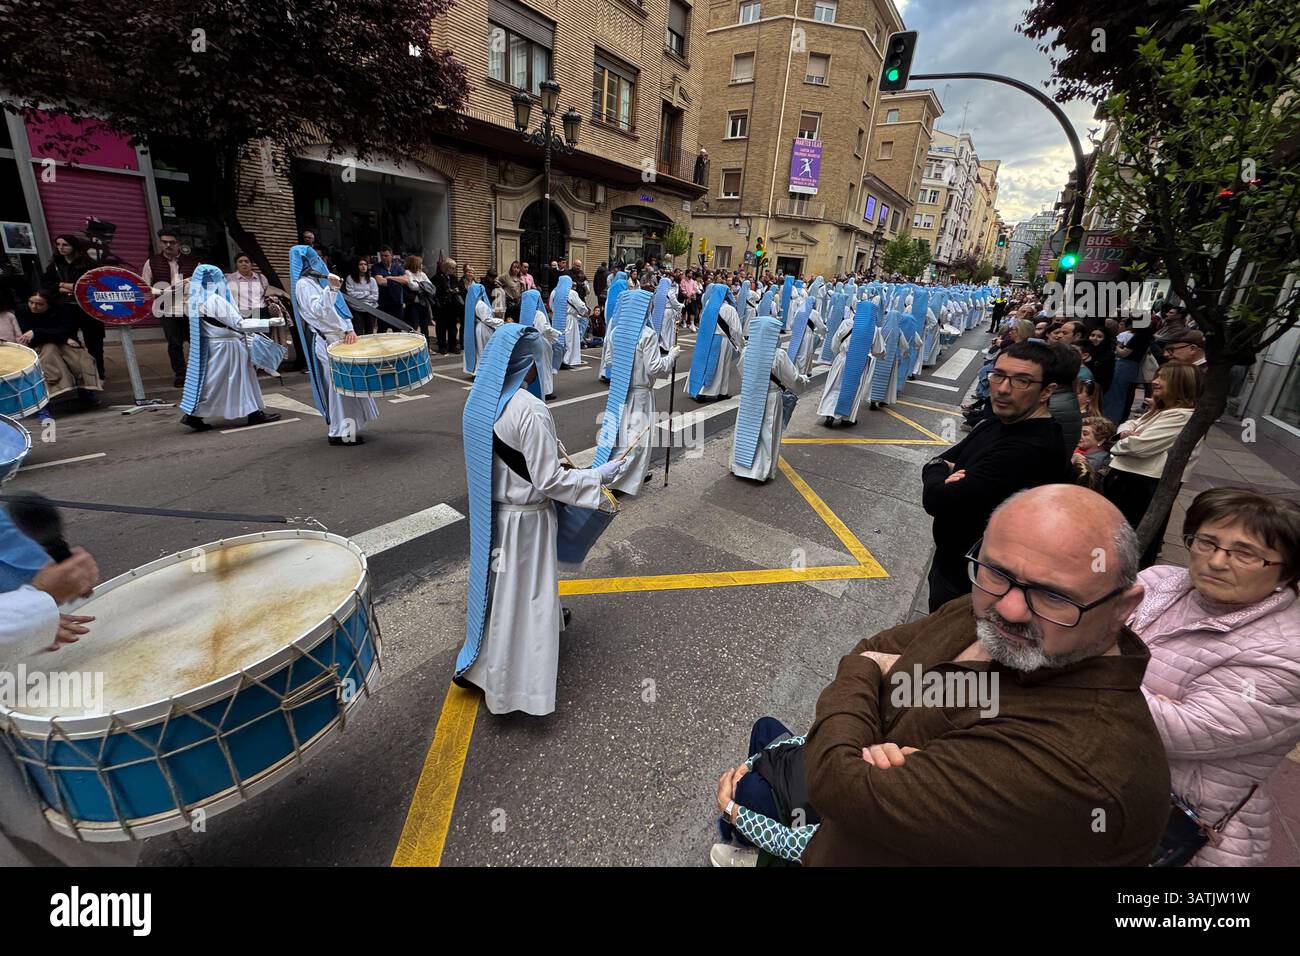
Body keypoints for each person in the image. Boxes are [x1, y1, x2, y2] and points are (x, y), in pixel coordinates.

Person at [454, 324, 628, 715]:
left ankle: (487, 664)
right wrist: (599, 476)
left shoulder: (479, 404)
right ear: (528, 362)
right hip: (528, 521)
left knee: (500, 596)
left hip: (494, 517)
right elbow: (549, 480)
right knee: (527, 597)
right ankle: (517, 686)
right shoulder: (529, 409)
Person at [1130, 488, 1300, 867]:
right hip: (1106, 789)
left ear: (1287, 570)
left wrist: (1089, 667)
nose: (1217, 561)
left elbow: (1184, 730)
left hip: (1177, 827)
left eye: (1245, 553)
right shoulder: (1158, 582)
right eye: (1207, 542)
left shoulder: (1285, 655)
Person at [922, 342, 1067, 612]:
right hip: (952, 563)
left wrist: (939, 472)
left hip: (970, 582)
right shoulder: (997, 422)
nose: (1001, 388)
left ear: (1047, 391)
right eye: (998, 375)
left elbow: (937, 499)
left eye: (1021, 380)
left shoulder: (1029, 448)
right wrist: (940, 467)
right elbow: (940, 459)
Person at [1103, 362, 1202, 567]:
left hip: (1141, 484)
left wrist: (1120, 441)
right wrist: (1124, 433)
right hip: (1131, 479)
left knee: (1126, 536)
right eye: (1157, 376)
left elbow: (1137, 446)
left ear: (1180, 384)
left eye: (1163, 378)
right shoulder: (1161, 410)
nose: (1155, 381)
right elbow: (1129, 425)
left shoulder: (1181, 416)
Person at [289, 244, 379, 445]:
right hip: (326, 340)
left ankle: (351, 428)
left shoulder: (320, 280)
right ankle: (341, 433)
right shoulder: (303, 284)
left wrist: (349, 329)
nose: (318, 261)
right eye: (312, 259)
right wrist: (331, 289)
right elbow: (319, 311)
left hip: (340, 338)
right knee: (339, 388)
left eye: (318, 257)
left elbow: (340, 309)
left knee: (350, 385)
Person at [178, 265, 283, 431]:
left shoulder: (196, 298)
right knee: (231, 381)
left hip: (217, 345)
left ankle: (252, 413)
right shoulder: (214, 299)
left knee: (222, 381)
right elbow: (239, 323)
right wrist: (270, 322)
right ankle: (196, 414)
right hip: (227, 346)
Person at [601, 286, 680, 495]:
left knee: (619, 436)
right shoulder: (647, 334)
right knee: (636, 440)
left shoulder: (616, 331)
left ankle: (634, 473)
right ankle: (615, 480)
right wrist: (671, 356)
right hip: (641, 393)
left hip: (619, 390)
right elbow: (655, 367)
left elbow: (608, 360)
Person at [731, 312, 805, 482]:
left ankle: (741, 466)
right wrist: (803, 381)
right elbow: (792, 378)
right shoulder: (778, 354)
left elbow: (742, 370)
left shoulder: (747, 351)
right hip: (771, 397)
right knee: (767, 432)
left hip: (750, 394)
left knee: (746, 429)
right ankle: (760, 471)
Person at [14, 290, 102, 411]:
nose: (34, 306)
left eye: (39, 304)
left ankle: (86, 391)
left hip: (63, 342)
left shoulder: (62, 311)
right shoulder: (23, 312)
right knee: (49, 356)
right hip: (41, 345)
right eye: (31, 302)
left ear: (48, 304)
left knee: (78, 360)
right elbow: (28, 336)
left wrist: (37, 332)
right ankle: (51, 395)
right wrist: (59, 336)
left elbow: (66, 329)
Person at [141, 229, 200, 387]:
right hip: (167, 308)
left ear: (178, 243)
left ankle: (200, 372)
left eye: (172, 242)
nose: (168, 245)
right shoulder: (152, 262)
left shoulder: (193, 262)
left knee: (196, 341)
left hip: (190, 308)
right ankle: (181, 374)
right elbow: (144, 287)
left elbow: (202, 285)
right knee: (174, 343)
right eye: (164, 242)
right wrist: (161, 292)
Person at [817, 298, 885, 427]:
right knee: (852, 389)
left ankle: (829, 414)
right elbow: (878, 350)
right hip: (859, 363)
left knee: (834, 387)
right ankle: (845, 417)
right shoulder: (874, 330)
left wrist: (839, 353)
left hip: (842, 359)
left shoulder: (846, 323)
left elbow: (835, 342)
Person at [41, 234, 100, 377]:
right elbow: (48, 286)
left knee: (95, 344)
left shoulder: (88, 265)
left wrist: (66, 286)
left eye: (65, 245)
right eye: (58, 244)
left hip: (87, 308)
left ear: (74, 247)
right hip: (65, 308)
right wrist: (65, 286)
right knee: (71, 341)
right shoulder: (55, 265)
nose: (61, 248)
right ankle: (80, 373)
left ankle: (99, 373)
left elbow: (91, 286)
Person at [685, 285, 742, 401]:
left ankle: (699, 391)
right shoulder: (729, 309)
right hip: (723, 340)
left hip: (707, 339)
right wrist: (740, 344)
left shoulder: (708, 306)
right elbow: (736, 329)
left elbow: (702, 321)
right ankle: (721, 392)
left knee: (702, 365)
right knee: (722, 368)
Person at [1104, 315, 1154, 424]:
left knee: (1116, 395)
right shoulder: (1145, 336)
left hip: (1125, 366)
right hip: (1131, 367)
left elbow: (1124, 353)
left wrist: (1115, 345)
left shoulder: (1139, 336)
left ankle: (1111, 420)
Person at [462, 278, 502, 376]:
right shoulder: (481, 304)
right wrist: (500, 321)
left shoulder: (472, 304)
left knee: (479, 351)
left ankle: (477, 370)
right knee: (484, 350)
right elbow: (486, 319)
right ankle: (483, 371)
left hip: (478, 328)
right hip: (484, 329)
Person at [1071, 415, 1116, 489]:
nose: (1079, 435)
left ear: (1101, 440)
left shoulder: (1092, 461)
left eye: (1085, 434)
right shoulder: (1101, 453)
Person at [555, 274, 589, 368]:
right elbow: (581, 306)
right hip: (569, 318)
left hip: (557, 318)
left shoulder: (554, 292)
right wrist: (585, 312)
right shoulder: (571, 293)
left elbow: (551, 304)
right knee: (569, 339)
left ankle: (558, 359)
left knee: (559, 338)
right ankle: (566, 360)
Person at [342, 256, 380, 336]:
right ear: (356, 266)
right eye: (361, 264)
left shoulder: (372, 280)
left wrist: (359, 296)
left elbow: (375, 297)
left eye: (365, 264)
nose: (363, 266)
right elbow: (350, 295)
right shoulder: (350, 278)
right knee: (358, 333)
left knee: (369, 333)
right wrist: (367, 293)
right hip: (356, 309)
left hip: (370, 309)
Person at [373, 247, 408, 330]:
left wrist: (390, 278)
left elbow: (406, 280)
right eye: (382, 256)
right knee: (382, 329)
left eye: (386, 255)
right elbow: (380, 281)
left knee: (397, 329)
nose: (383, 258)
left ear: (391, 255)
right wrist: (398, 280)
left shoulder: (398, 267)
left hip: (397, 303)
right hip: (383, 304)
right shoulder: (377, 267)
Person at [432, 257, 462, 355]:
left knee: (453, 327)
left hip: (452, 307)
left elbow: (458, 288)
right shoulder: (437, 278)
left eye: (454, 268)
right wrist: (448, 291)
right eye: (452, 268)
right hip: (441, 307)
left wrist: (455, 290)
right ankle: (442, 346)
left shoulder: (453, 278)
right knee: (441, 328)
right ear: (446, 267)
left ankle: (452, 345)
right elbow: (435, 292)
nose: (453, 270)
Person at [404, 255, 436, 342]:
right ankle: (412, 345)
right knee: (413, 326)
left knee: (425, 326)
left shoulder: (422, 274)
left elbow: (430, 286)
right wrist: (423, 285)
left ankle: (427, 346)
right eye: (420, 263)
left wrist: (420, 285)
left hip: (424, 303)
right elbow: (412, 286)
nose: (422, 265)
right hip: (413, 304)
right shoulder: (407, 273)